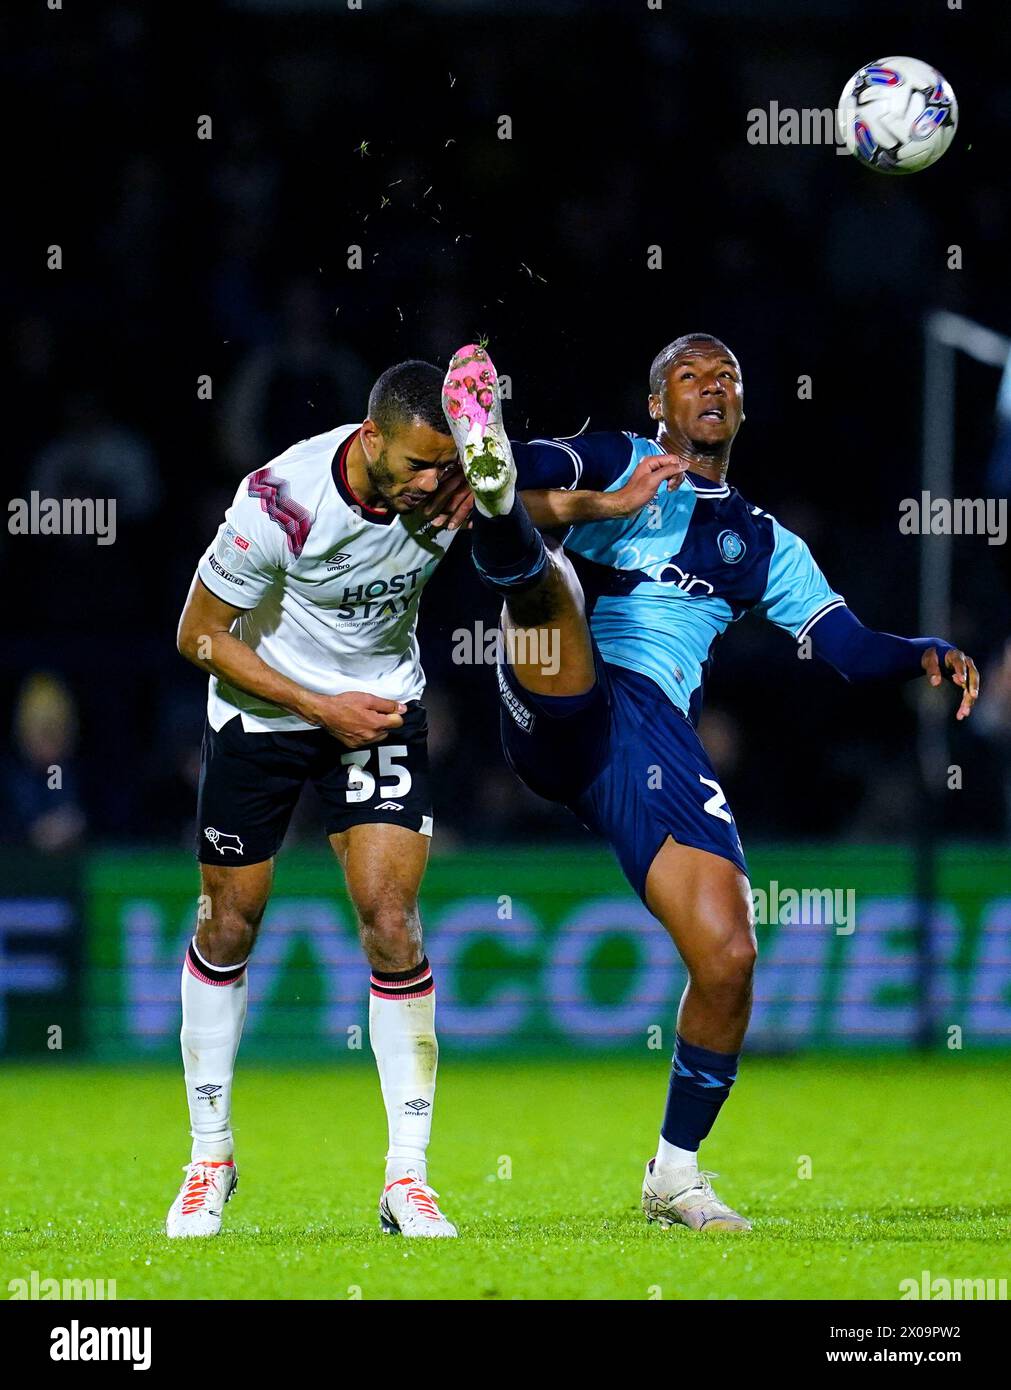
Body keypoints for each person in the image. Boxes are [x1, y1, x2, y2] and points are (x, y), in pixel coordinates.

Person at [441, 337, 979, 1233]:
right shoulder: (620, 456)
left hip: (647, 737)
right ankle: (491, 466)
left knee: (729, 954)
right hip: (561, 687)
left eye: (726, 375)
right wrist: (595, 501)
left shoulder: (763, 541)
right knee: (548, 572)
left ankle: (673, 1174)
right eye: (689, 375)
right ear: (659, 402)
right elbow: (502, 484)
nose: (711, 385)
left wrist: (919, 651)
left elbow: (841, 645)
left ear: (742, 405)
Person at [169, 359, 472, 1240]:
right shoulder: (279, 502)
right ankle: (209, 1159)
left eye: (443, 465)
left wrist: (505, 483)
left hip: (378, 706)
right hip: (266, 712)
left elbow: (543, 503)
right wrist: (315, 706)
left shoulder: (453, 482)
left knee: (392, 920)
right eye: (417, 464)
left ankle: (406, 1180)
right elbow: (197, 635)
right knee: (228, 924)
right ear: (369, 438)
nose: (429, 483)